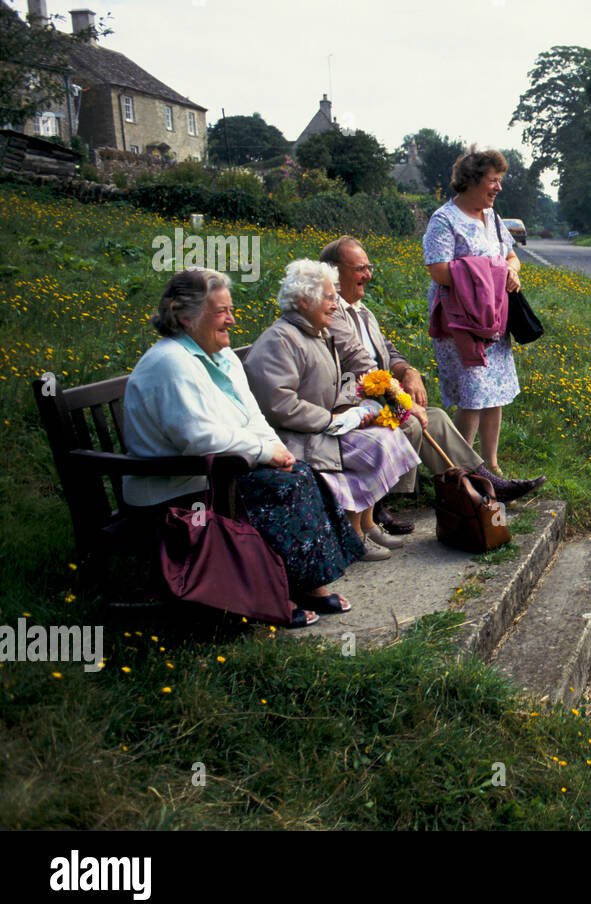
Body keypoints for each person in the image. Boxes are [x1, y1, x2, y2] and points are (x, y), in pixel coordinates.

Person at [122, 269, 365, 627]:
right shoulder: (170, 363)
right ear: (185, 316)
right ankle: (270, 595)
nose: (232, 319)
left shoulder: (223, 358)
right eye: (221, 311)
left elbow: (253, 416)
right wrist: (264, 454)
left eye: (230, 309)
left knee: (299, 471)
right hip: (174, 491)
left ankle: (302, 582)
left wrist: (275, 449)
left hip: (216, 473)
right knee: (282, 488)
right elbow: (198, 438)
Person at [318, 236, 544, 534]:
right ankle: (381, 502)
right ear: (334, 271)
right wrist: (403, 402)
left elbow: (387, 352)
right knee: (412, 422)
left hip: (378, 394)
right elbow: (361, 362)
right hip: (350, 401)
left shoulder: (362, 311)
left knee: (434, 416)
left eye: (369, 267)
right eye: (360, 268)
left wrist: (409, 372)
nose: (368, 275)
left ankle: (479, 483)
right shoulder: (332, 312)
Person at [244, 260, 420, 562]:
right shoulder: (280, 340)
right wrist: (332, 418)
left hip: (319, 429)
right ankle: (354, 537)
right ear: (302, 301)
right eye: (328, 297)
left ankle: (367, 523)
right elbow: (278, 404)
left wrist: (355, 411)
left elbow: (329, 386)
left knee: (383, 432)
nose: (335, 304)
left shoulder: (316, 333)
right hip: (293, 439)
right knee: (373, 446)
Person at [423, 148, 522, 477]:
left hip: (493, 318)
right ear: (472, 180)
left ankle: (491, 465)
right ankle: (460, 470)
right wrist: (490, 275)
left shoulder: (492, 217)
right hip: (461, 321)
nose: (499, 187)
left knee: (495, 392)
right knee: (473, 394)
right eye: (493, 180)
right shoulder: (444, 219)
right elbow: (438, 270)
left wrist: (510, 271)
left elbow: (510, 255)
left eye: (499, 180)